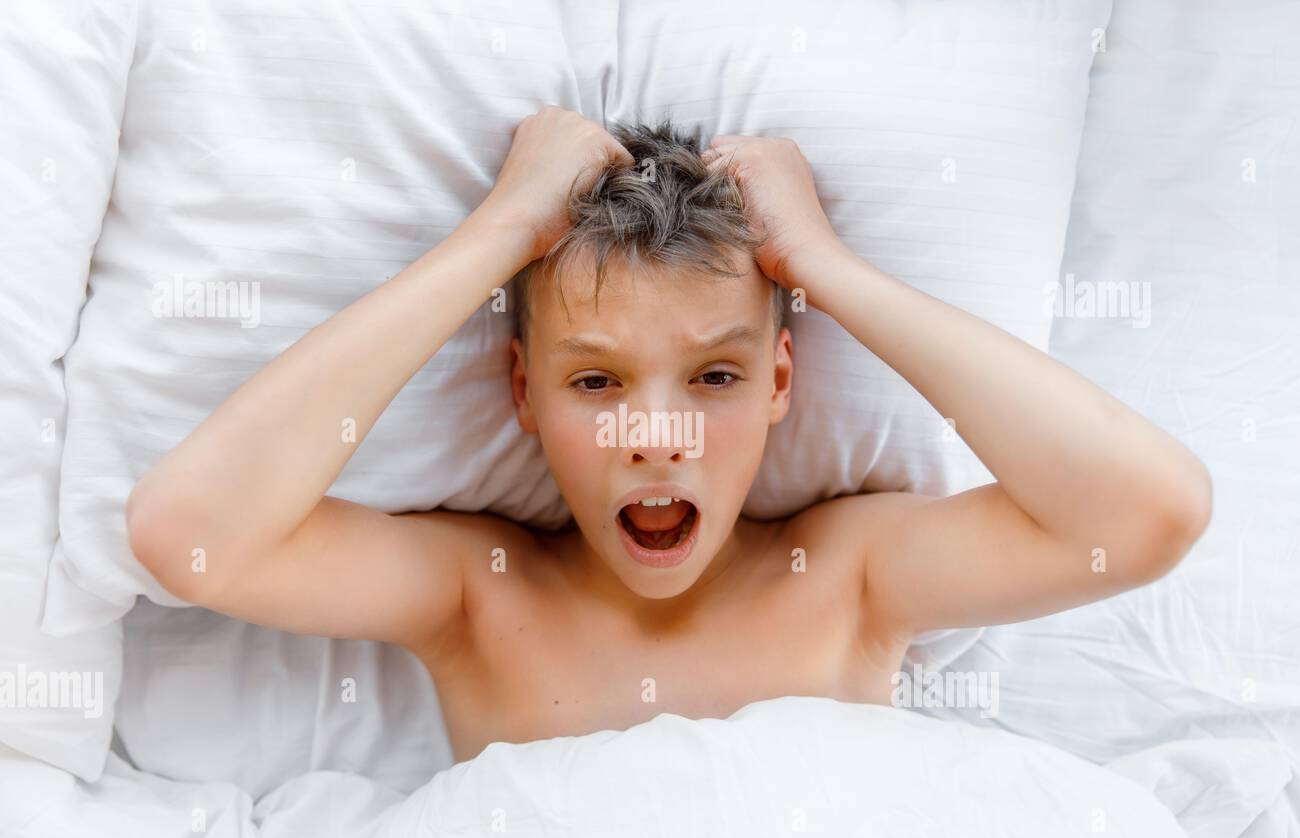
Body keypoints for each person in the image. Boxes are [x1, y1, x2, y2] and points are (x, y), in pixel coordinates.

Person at [127, 107, 1212, 763]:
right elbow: (189, 533)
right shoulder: (482, 594)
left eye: (717, 375)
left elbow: (1147, 509)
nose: (655, 433)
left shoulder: (845, 575)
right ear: (520, 391)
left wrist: (824, 266)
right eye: (595, 378)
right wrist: (500, 229)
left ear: (783, 377)